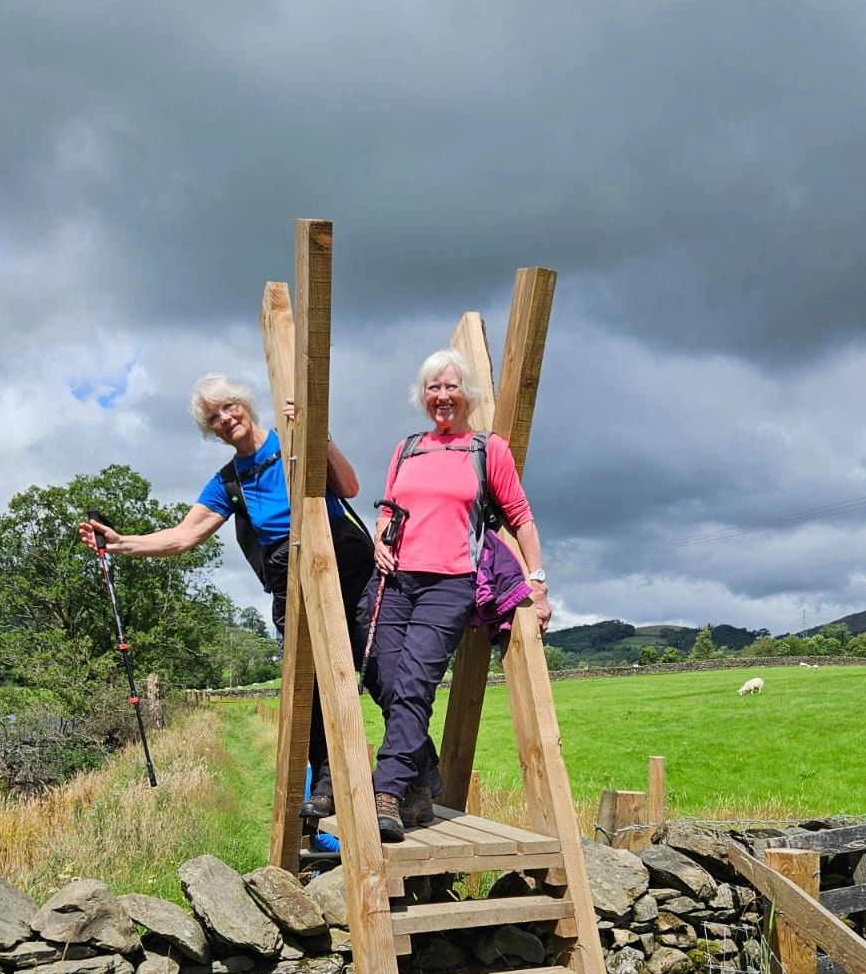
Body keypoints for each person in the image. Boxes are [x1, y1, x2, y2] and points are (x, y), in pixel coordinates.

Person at [77, 373, 374, 817]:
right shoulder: (229, 482)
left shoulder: (292, 436)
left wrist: (318, 433)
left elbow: (349, 488)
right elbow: (182, 537)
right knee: (307, 686)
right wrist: (119, 543)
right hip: (287, 576)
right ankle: (329, 785)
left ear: (245, 404)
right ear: (210, 430)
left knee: (383, 666)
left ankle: (409, 777)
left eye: (228, 407)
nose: (224, 418)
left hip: (345, 562)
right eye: (213, 417)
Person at [367, 347, 551, 842]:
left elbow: (520, 515)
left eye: (451, 387)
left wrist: (537, 580)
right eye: (433, 388)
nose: (442, 396)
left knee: (414, 684)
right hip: (396, 579)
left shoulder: (486, 449)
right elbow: (388, 510)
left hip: (451, 584)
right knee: (383, 677)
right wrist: (378, 539)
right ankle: (423, 776)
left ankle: (388, 791)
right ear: (423, 396)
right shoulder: (406, 448)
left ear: (466, 394)